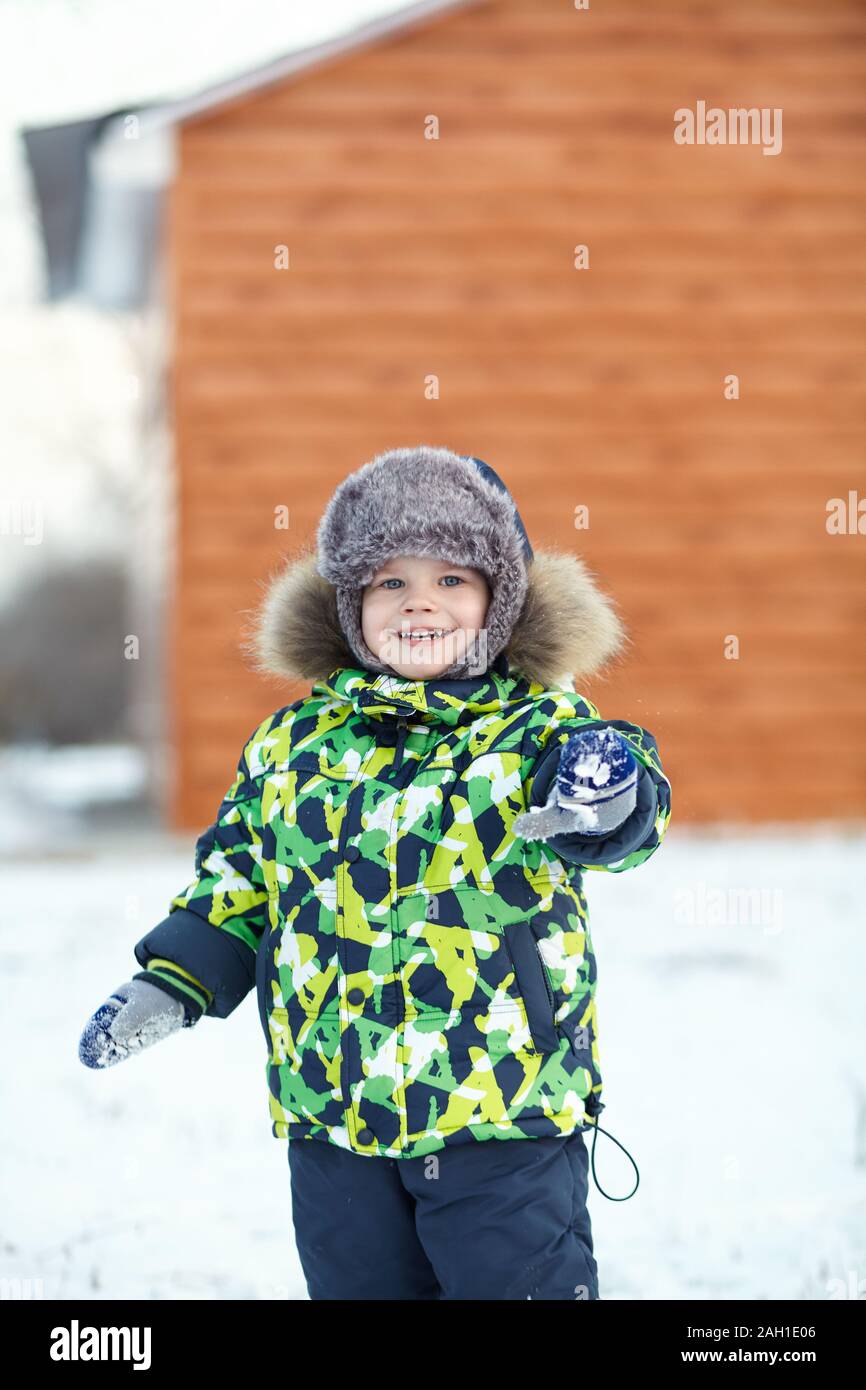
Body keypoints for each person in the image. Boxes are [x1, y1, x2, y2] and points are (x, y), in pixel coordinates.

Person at [79, 445, 672, 1300]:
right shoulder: (294, 746)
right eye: (389, 582)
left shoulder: (539, 730)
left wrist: (608, 797)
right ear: (350, 605)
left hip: (499, 1111)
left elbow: (621, 811)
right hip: (333, 1120)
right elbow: (239, 881)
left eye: (451, 580)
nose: (419, 602)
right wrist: (171, 982)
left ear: (500, 601)